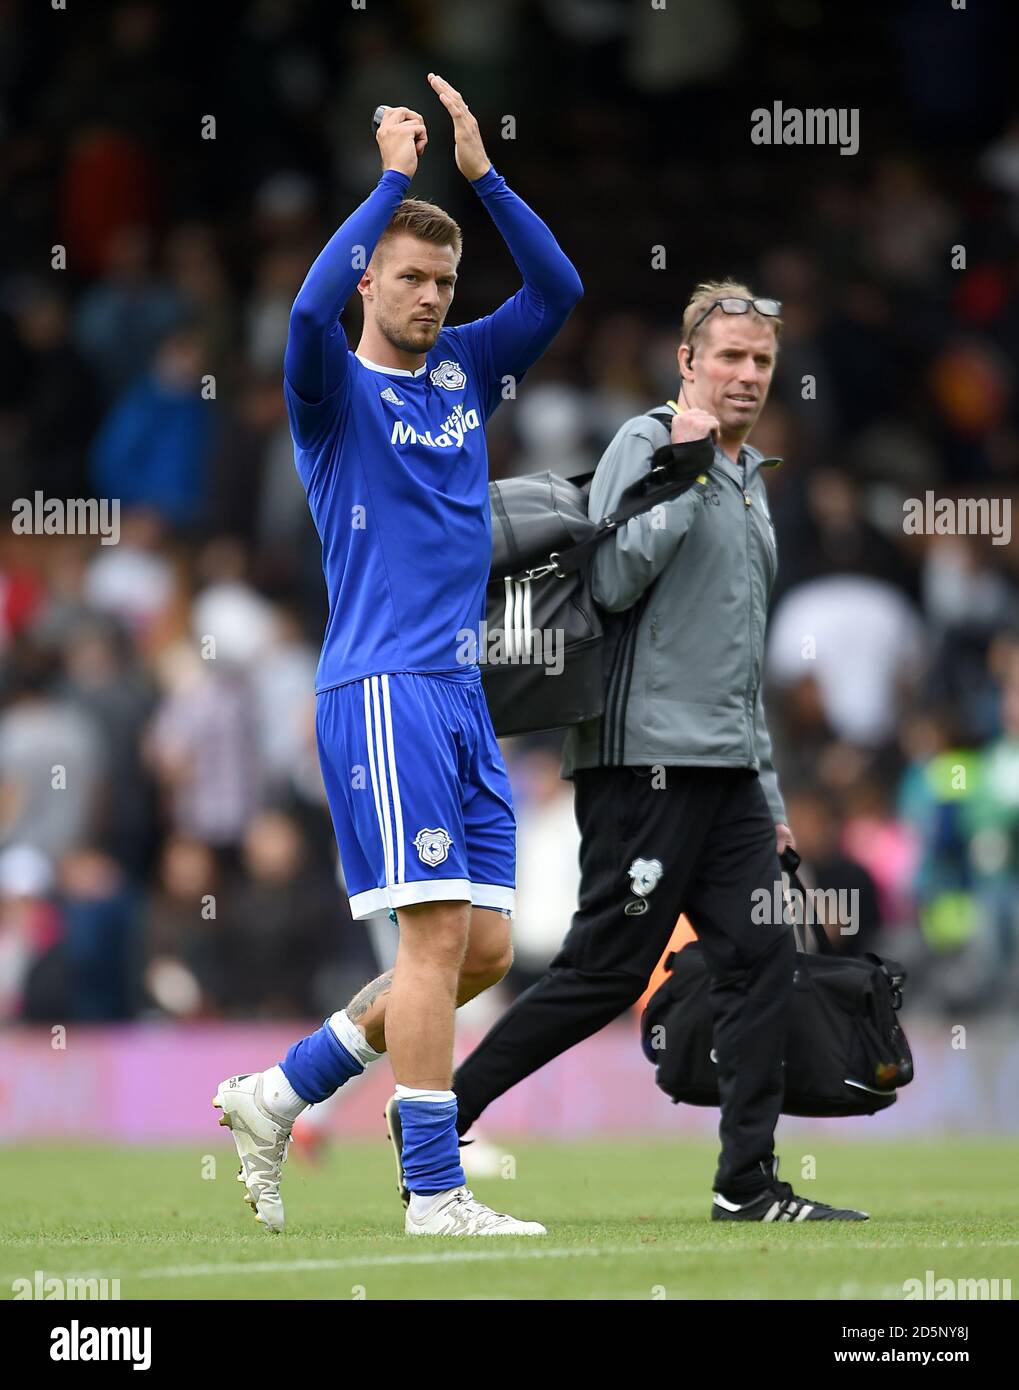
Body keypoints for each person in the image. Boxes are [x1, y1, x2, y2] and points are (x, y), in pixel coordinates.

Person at [214, 73, 582, 1236]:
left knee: (478, 946)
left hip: (460, 689)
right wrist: (385, 182)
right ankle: (434, 1191)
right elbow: (301, 315)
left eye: (442, 280)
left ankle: (279, 1091)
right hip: (382, 688)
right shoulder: (330, 389)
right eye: (408, 277)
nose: (429, 297)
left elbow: (560, 288)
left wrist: (478, 175)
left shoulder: (465, 367)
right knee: (427, 940)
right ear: (372, 275)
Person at [426, 283, 868, 1222]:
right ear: (688, 363)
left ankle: (745, 1186)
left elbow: (739, 661)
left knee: (762, 960)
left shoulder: (752, 479)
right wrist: (682, 470)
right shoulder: (648, 439)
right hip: (641, 761)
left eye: (759, 362)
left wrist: (772, 789)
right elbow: (616, 579)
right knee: (604, 974)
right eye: (729, 358)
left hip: (729, 772)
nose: (745, 375)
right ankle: (441, 1116)